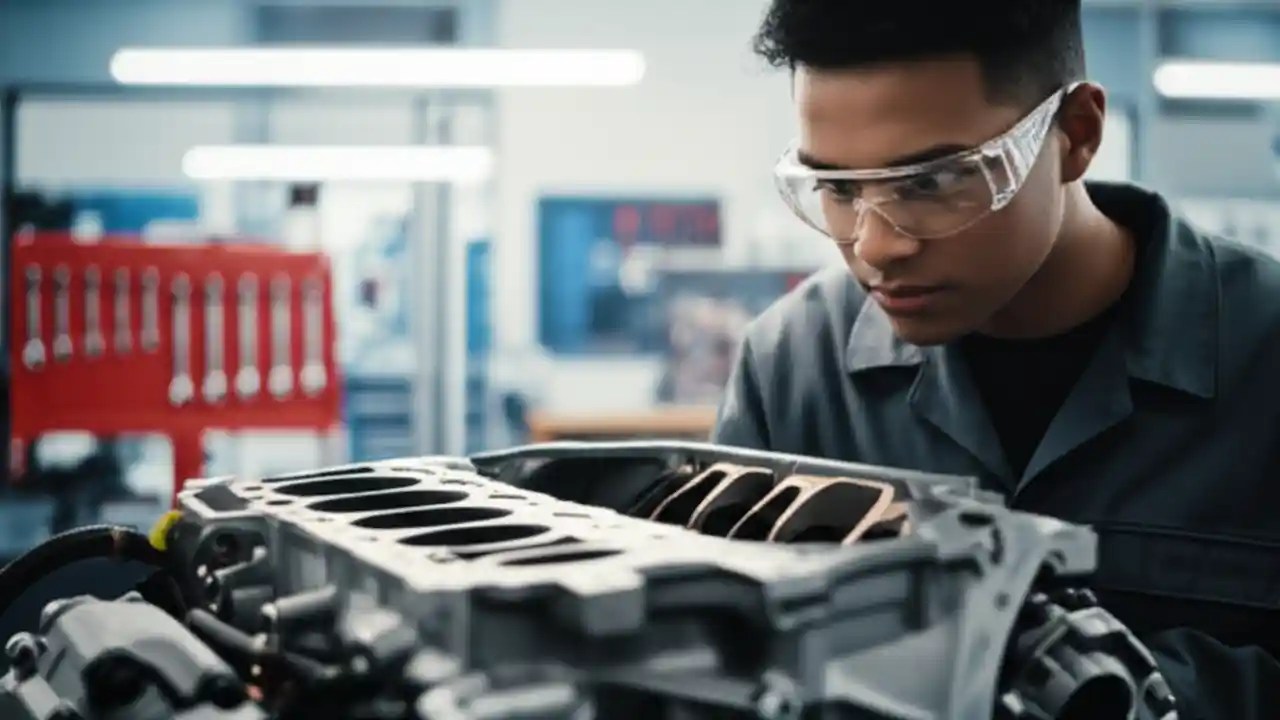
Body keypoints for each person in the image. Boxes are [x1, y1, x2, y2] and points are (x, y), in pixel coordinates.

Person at [712, 1, 1280, 717]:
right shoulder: (791, 371)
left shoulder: (1265, 357)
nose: (875, 246)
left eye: (931, 183)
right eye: (838, 188)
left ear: (1076, 135)